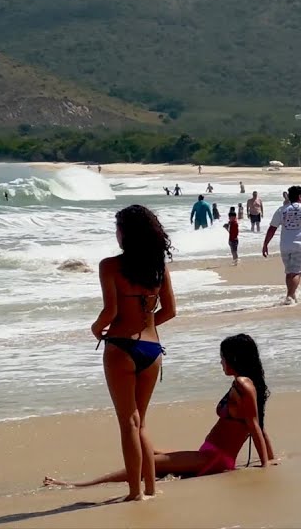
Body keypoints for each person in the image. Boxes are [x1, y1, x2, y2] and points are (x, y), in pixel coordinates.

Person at [44, 334, 275, 489]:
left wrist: (265, 467)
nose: (221, 363)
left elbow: (254, 425)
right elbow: (260, 427)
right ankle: (85, 483)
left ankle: (79, 485)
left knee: (149, 463)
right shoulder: (245, 383)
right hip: (209, 453)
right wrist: (272, 458)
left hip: (214, 459)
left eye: (222, 358)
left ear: (234, 358)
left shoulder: (243, 385)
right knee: (149, 452)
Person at [88, 205, 177, 501]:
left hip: (121, 347)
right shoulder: (158, 267)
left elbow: (110, 310)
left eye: (118, 228)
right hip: (152, 349)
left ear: (126, 233)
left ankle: (135, 492)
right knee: (142, 422)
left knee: (128, 421)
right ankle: (151, 487)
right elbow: (170, 310)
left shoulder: (110, 266)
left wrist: (96, 328)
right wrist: (147, 323)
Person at [262, 186, 301, 305]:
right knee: (296, 272)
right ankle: (290, 296)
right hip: (300, 244)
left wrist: (265, 244)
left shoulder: (282, 210)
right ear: (299, 197)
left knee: (289, 272)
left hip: (285, 245)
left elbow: (272, 228)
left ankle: (291, 296)